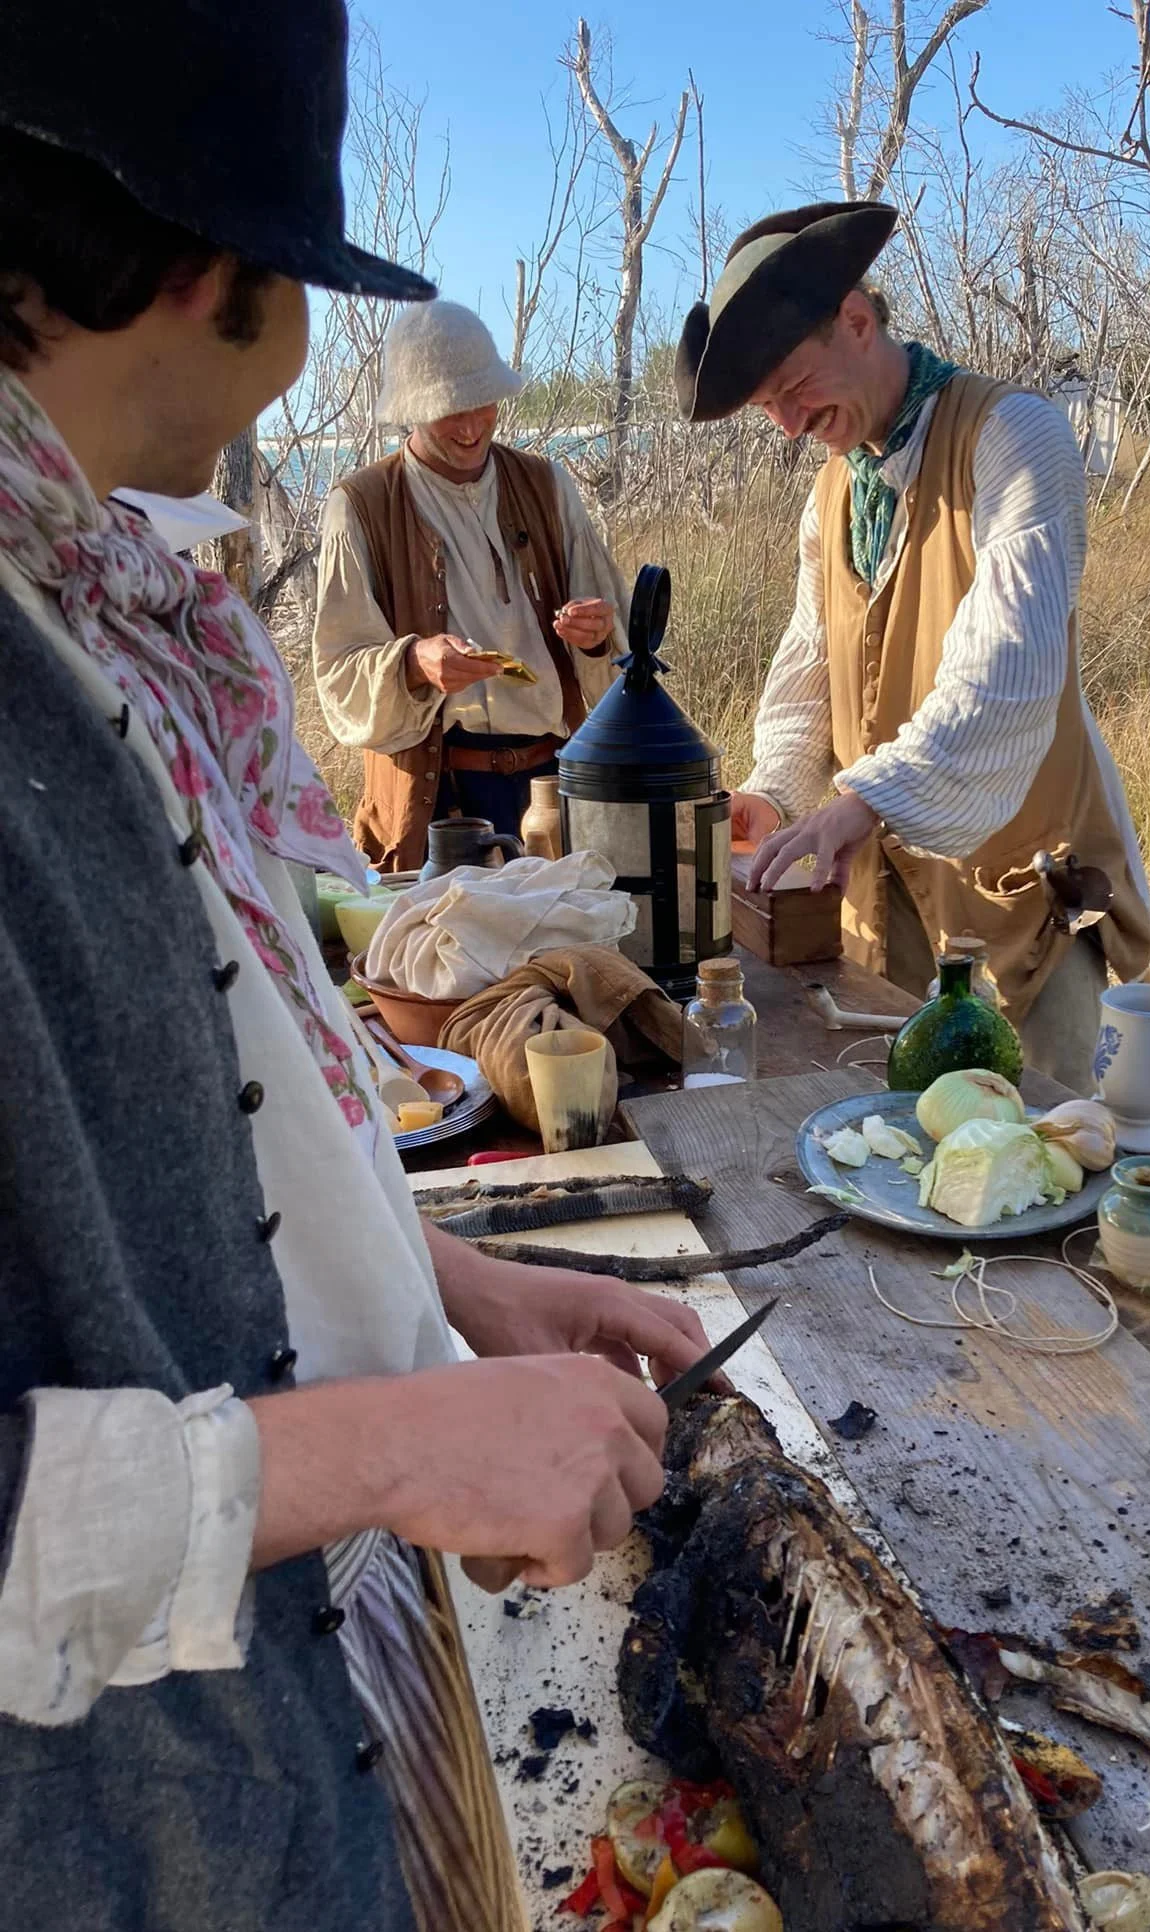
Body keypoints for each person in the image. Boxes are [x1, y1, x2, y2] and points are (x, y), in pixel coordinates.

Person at [0, 6, 721, 1930]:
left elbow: (209, 1148)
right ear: (209, 271)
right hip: (127, 1835)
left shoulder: (95, 597)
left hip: (305, 1720)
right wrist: (396, 1445)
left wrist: (460, 1288)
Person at [676, 202, 1150, 1092]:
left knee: (1046, 1139)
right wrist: (778, 791)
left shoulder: (1016, 436)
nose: (785, 423)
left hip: (1024, 902)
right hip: (884, 897)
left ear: (857, 319)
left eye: (793, 386)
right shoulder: (831, 490)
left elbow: (1005, 673)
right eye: (767, 407)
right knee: (901, 1140)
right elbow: (811, 662)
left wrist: (865, 795)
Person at [313, 299, 626, 869]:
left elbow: (620, 649)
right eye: (449, 411)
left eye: (483, 403)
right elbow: (337, 675)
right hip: (438, 804)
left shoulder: (548, 486)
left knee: (567, 951)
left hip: (552, 789)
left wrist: (596, 637)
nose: (471, 426)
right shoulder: (358, 506)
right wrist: (412, 662)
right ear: (410, 411)